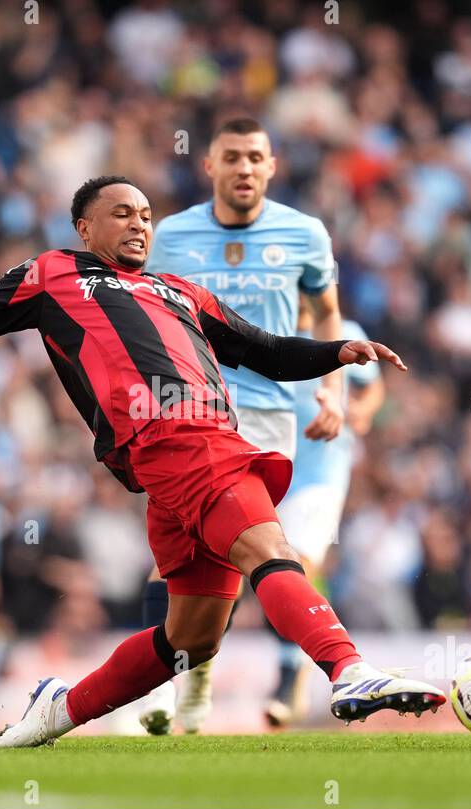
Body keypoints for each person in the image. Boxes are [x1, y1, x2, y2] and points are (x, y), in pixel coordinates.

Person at [0, 175, 447, 748]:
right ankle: (348, 669)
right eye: (122, 212)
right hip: (174, 438)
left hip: (192, 454)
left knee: (191, 638)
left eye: (147, 215)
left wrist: (336, 353)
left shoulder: (182, 293)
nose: (139, 224)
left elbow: (269, 351)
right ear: (83, 224)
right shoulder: (51, 275)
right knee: (270, 550)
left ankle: (56, 711)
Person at [137, 117, 346, 734]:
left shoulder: (304, 233)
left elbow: (328, 315)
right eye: (232, 157)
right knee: (175, 560)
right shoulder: (170, 237)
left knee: (234, 559)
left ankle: (191, 684)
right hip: (188, 409)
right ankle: (175, 685)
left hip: (266, 414)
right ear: (210, 166)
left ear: (272, 166)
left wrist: (331, 390)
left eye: (255, 157)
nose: (244, 168)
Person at [271, 313, 385, 726]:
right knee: (264, 572)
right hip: (273, 465)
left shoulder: (346, 332)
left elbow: (373, 389)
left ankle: (290, 679)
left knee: (296, 566)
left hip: (322, 471)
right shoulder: (265, 326)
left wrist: (359, 411)